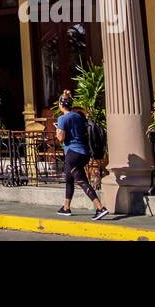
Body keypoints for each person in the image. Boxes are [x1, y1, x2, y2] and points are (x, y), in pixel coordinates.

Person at [54, 90, 108, 220]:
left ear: (61, 105)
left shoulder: (62, 118)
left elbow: (60, 138)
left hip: (73, 153)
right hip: (84, 152)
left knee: (82, 181)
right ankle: (66, 208)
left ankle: (100, 208)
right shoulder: (78, 116)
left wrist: (57, 128)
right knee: (69, 178)